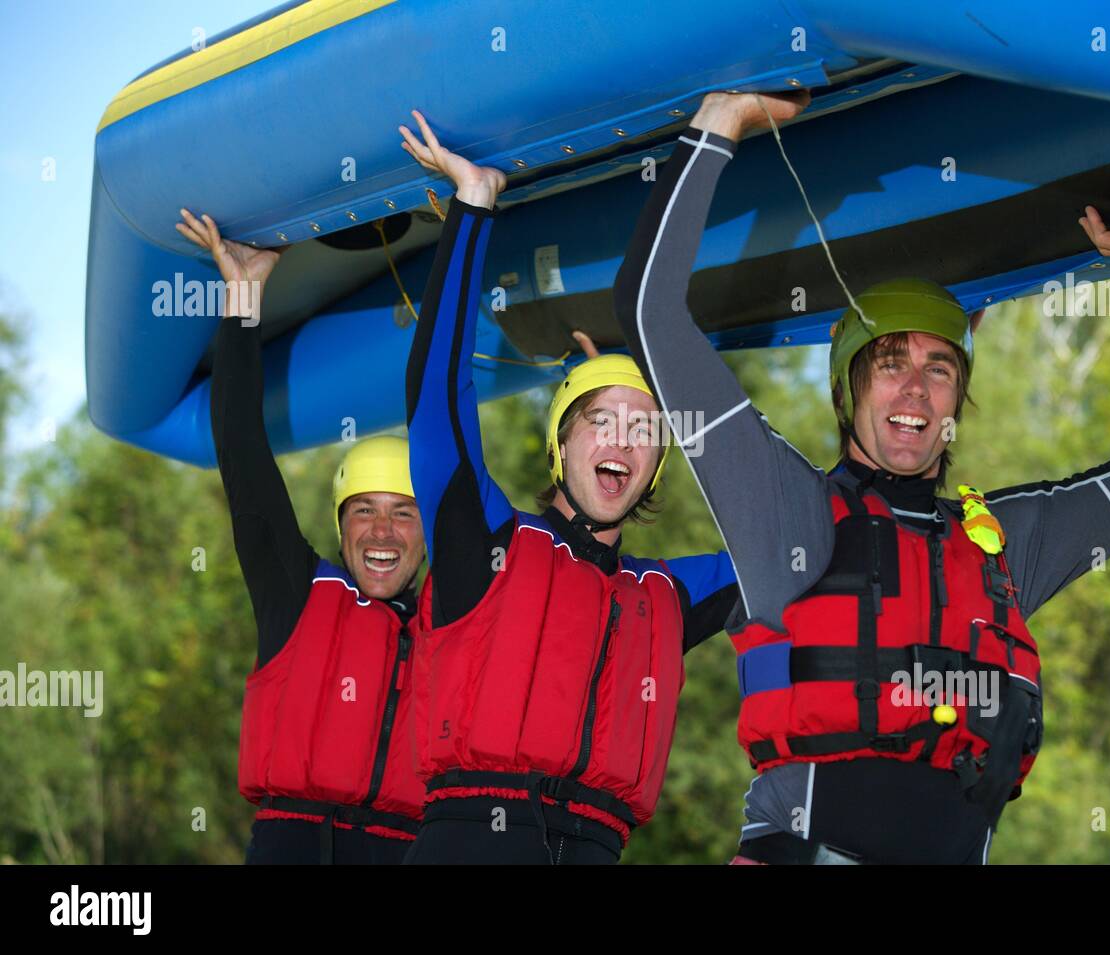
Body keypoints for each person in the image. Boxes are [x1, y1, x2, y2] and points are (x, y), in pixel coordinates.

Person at [612, 91, 1110, 864]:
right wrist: (720, 124)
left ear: (959, 398)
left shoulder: (1004, 547)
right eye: (889, 365)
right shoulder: (791, 514)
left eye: (939, 369)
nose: (914, 390)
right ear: (846, 392)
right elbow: (649, 313)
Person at [396, 110, 738, 864]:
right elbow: (433, 405)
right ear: (561, 443)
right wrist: (474, 204)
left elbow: (790, 533)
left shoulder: (669, 595)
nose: (623, 440)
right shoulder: (485, 538)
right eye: (601, 420)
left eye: (644, 429)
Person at [177, 209, 430, 864]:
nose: (382, 531)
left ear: (427, 533)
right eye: (363, 511)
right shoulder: (296, 590)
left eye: (403, 512)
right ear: (340, 528)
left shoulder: (455, 619)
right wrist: (242, 298)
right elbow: (240, 447)